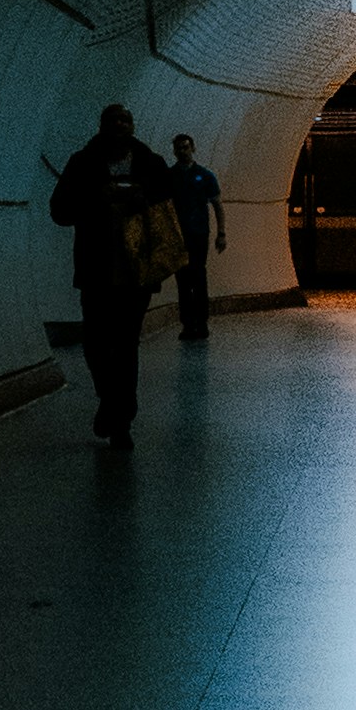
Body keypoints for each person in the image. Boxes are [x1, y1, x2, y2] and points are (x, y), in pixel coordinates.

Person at [49, 99, 176, 448]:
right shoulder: (83, 163)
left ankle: (121, 419)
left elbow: (171, 202)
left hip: (137, 270)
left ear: (132, 126)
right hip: (97, 268)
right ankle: (112, 401)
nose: (120, 125)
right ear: (103, 126)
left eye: (126, 119)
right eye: (114, 119)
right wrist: (95, 197)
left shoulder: (151, 163)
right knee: (95, 344)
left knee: (124, 344)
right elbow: (59, 210)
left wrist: (143, 198)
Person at [168, 128, 226, 344]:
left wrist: (221, 233)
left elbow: (217, 205)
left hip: (198, 233)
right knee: (184, 279)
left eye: (185, 147)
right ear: (175, 151)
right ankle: (188, 322)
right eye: (179, 148)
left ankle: (200, 322)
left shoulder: (205, 176)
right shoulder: (170, 176)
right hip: (179, 235)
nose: (183, 152)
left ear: (192, 148)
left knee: (197, 277)